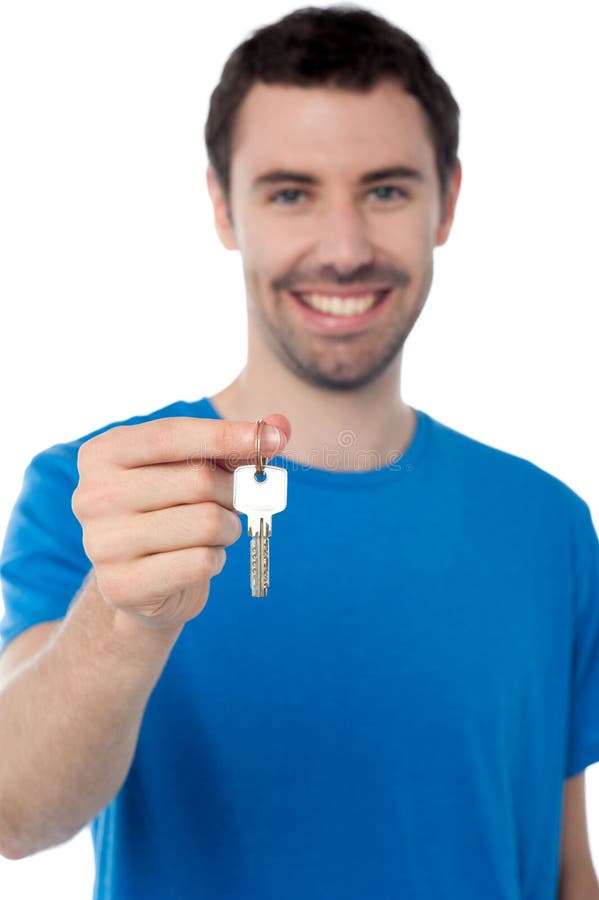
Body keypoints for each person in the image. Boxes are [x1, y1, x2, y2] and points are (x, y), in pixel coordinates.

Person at [0, 5, 598, 898]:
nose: (344, 248)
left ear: (448, 201)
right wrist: (127, 620)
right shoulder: (102, 494)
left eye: (386, 189)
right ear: (221, 206)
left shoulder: (547, 523)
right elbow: (14, 811)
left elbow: (561, 867)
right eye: (290, 192)